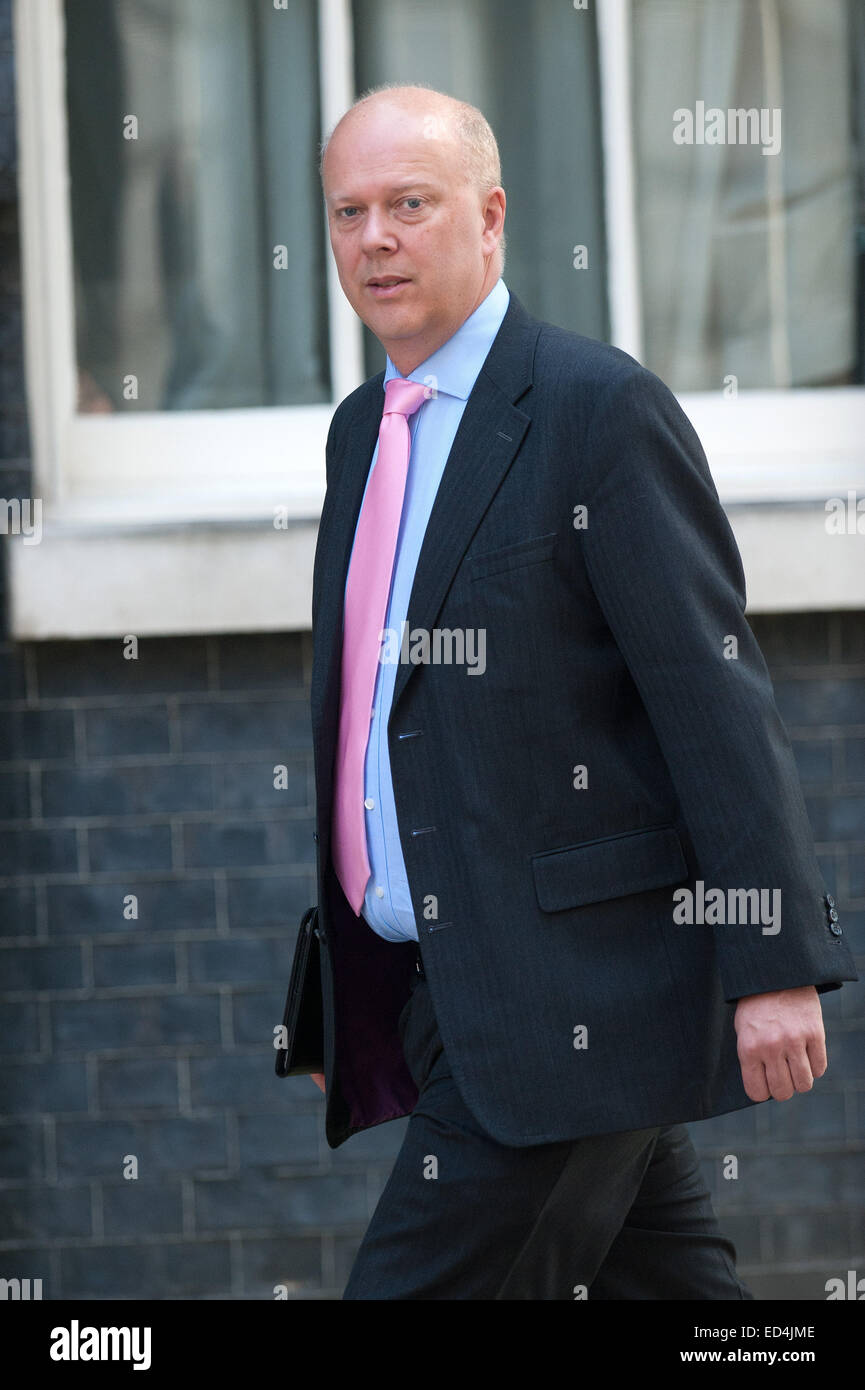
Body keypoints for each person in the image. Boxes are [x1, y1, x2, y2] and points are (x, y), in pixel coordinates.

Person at [306, 82, 857, 1300]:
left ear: (491, 217)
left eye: (410, 204)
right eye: (349, 212)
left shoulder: (594, 410)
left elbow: (707, 692)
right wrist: (344, 981)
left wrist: (770, 962)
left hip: (577, 993)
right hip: (450, 988)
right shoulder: (362, 434)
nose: (375, 239)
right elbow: (371, 724)